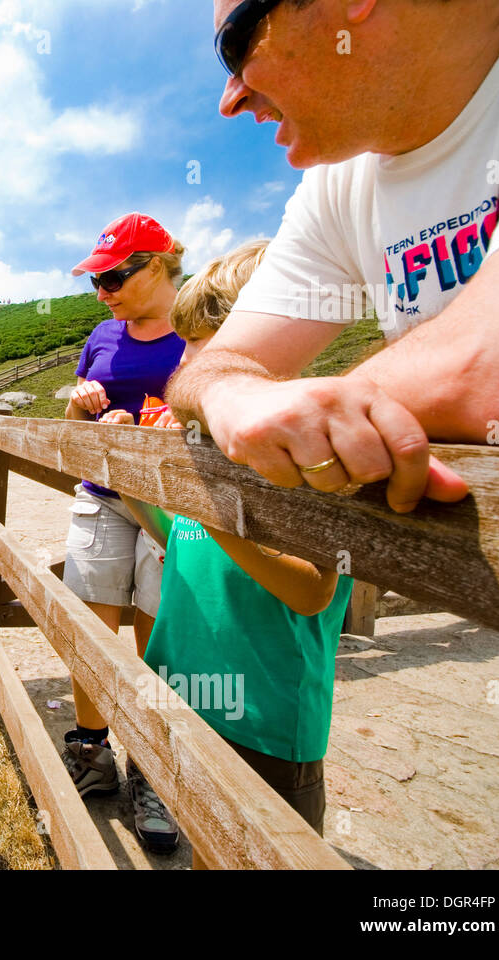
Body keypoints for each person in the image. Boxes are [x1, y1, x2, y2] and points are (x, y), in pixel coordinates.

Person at [166, 0, 499, 870]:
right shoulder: (343, 183)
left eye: (235, 42)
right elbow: (212, 370)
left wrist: (300, 398)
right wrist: (233, 400)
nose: (230, 99)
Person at [120, 240, 351, 867]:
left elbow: (311, 590)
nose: (186, 363)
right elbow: (185, 542)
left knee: (267, 852)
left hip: (267, 719)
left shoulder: (314, 452)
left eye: (203, 346)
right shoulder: (209, 449)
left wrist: (207, 510)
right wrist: (136, 488)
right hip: (191, 695)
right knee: (208, 842)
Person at [59, 212, 186, 854]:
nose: (104, 291)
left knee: (159, 635)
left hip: (175, 511)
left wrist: (176, 421)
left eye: (114, 276)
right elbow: (74, 408)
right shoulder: (103, 334)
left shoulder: (202, 333)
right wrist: (80, 399)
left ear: (159, 266)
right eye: (96, 281)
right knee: (91, 624)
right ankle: (92, 751)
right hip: (104, 498)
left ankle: (154, 775)